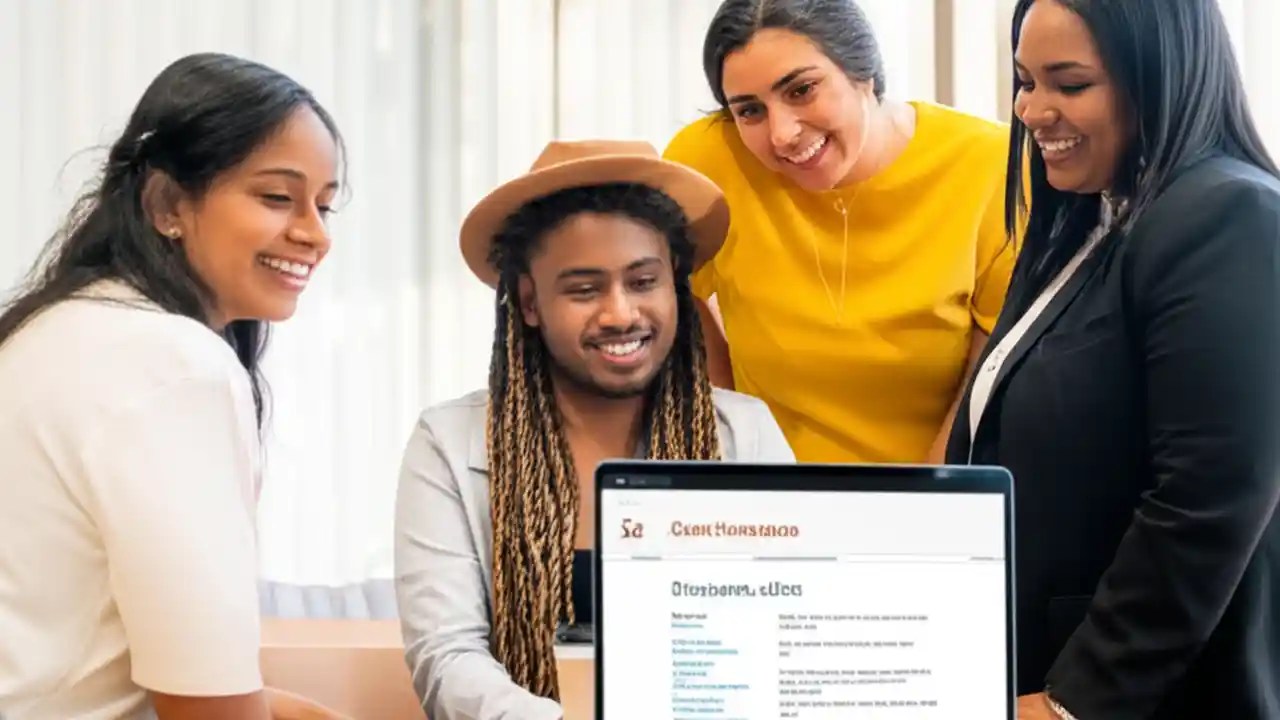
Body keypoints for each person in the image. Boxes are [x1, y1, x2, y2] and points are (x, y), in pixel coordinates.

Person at [945, 1, 1280, 718]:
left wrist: (1074, 701)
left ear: (1162, 75)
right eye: (1025, 80)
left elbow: (1208, 499)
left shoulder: (1230, 217)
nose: (1032, 110)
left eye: (1070, 84)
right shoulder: (1088, 221)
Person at [393, 140, 795, 719]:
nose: (620, 314)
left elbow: (786, 628)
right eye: (584, 289)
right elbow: (447, 656)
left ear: (675, 286)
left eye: (643, 281)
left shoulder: (744, 431)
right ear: (529, 302)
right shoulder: (450, 445)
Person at [0, 53, 347, 720]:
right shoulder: (175, 363)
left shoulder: (53, 326)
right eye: (278, 197)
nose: (315, 234)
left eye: (325, 205)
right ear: (166, 204)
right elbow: (208, 709)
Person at [662, 0, 1017, 464]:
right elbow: (669, 288)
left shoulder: (993, 165)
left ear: (863, 71)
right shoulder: (710, 156)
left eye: (803, 89)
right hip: (767, 499)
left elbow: (992, 363)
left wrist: (928, 505)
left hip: (936, 490)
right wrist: (730, 433)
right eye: (749, 110)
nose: (782, 133)